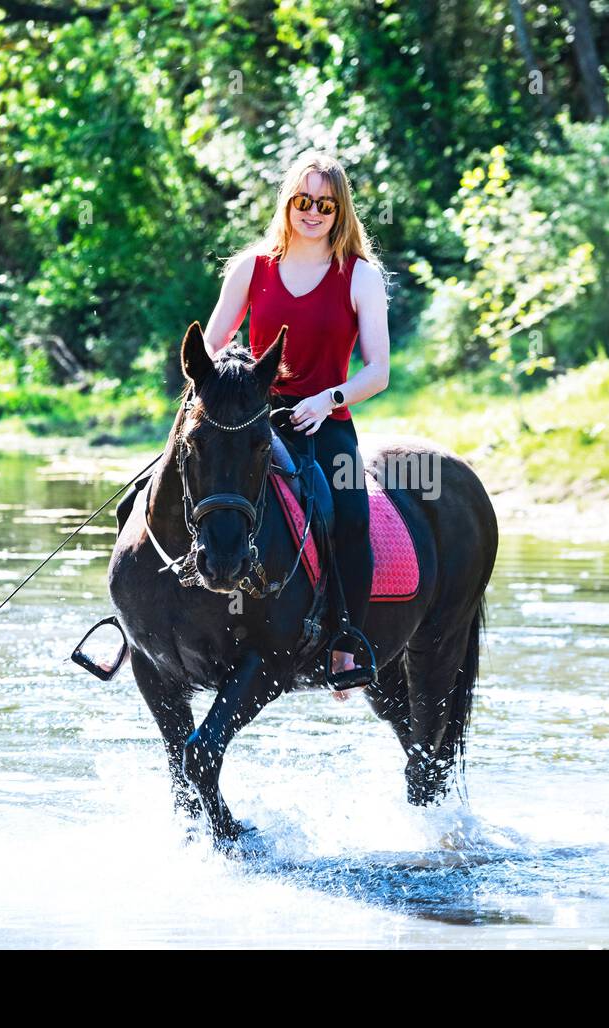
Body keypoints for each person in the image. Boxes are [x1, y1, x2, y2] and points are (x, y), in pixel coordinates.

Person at [201, 152, 391, 700]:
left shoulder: (359, 276)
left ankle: (346, 643)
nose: (312, 212)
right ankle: (144, 618)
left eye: (325, 204)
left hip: (323, 420)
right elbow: (212, 344)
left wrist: (327, 399)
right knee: (168, 491)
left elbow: (378, 371)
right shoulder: (251, 267)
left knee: (350, 515)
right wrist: (226, 383)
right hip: (248, 419)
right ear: (287, 201)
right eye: (303, 200)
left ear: (339, 210)